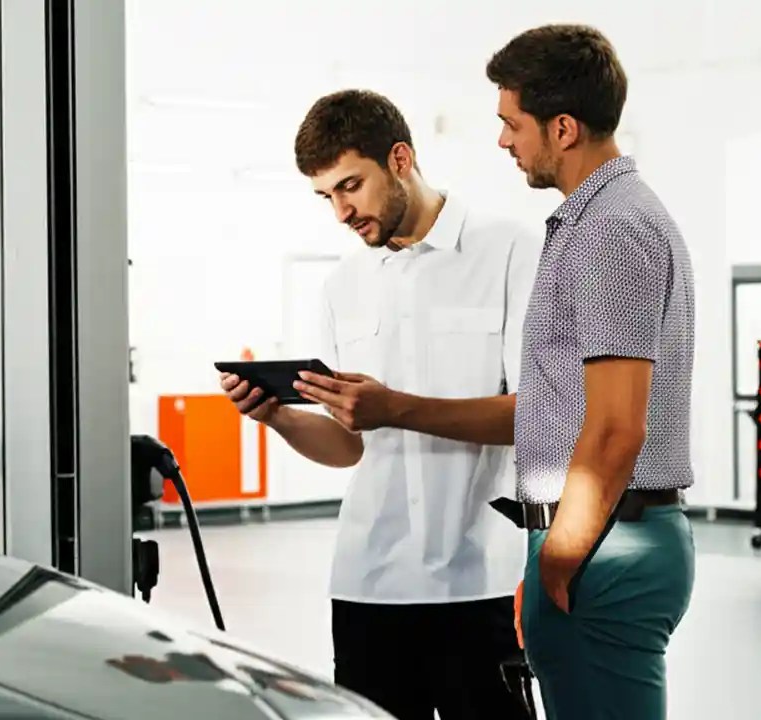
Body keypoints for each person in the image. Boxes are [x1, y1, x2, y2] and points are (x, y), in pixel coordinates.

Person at [294, 25, 697, 719]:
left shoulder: (602, 229)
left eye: (511, 123)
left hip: (580, 547)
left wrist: (556, 555)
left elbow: (610, 424)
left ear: (562, 127)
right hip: (462, 562)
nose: (503, 140)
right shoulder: (589, 223)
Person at [220, 88, 540, 720]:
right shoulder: (344, 288)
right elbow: (348, 449)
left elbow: (538, 415)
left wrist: (395, 406)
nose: (341, 212)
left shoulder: (510, 251)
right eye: (326, 197)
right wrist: (278, 416)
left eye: (350, 186)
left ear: (399, 159)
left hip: (480, 580)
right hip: (367, 585)